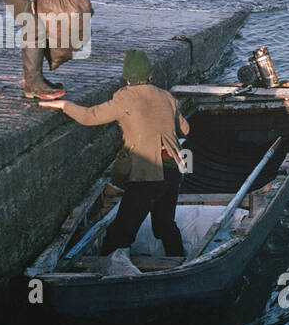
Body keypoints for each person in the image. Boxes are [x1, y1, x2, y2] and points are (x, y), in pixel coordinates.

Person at [40, 50, 189, 257]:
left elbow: (89, 116)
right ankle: (179, 258)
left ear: (126, 78)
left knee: (120, 232)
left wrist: (65, 105)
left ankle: (107, 272)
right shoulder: (167, 96)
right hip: (173, 170)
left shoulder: (124, 98)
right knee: (164, 225)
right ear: (149, 76)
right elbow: (185, 129)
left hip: (146, 173)